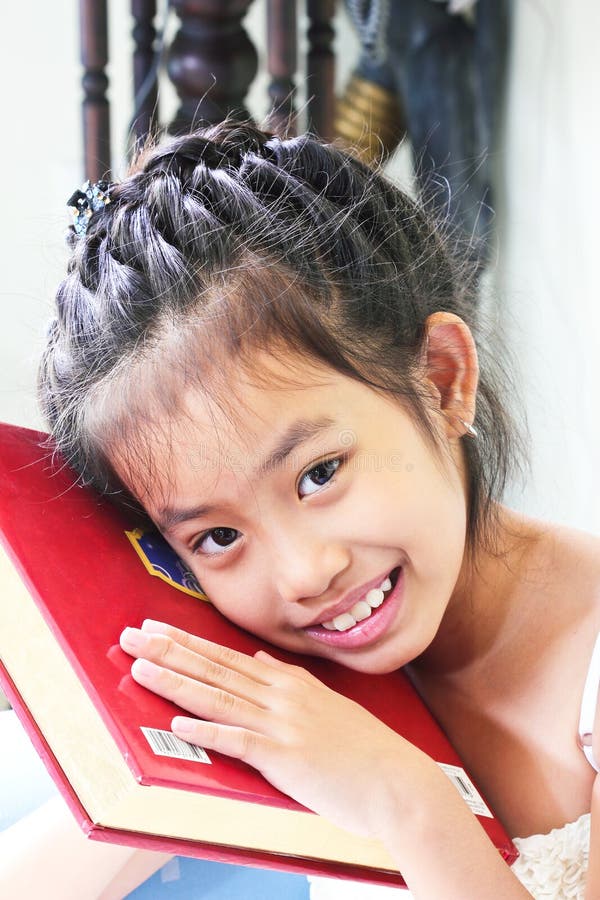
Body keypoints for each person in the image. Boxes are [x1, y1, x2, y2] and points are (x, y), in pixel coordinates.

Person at [27, 119, 600, 898]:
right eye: (219, 535)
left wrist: (411, 805)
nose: (305, 573)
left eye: (319, 473)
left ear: (440, 379)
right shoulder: (295, 676)